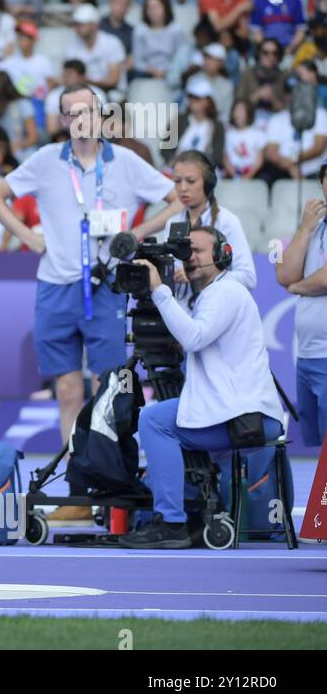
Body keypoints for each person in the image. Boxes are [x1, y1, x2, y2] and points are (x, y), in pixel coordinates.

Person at [0, 84, 182, 522]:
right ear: (62, 119)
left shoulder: (126, 162)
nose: (79, 119)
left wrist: (140, 233)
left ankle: (107, 483)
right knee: (68, 390)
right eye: (70, 112)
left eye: (86, 110)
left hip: (107, 285)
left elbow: (174, 199)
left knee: (107, 390)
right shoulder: (46, 160)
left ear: (100, 114)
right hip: (56, 287)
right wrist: (28, 237)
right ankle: (75, 493)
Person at [120, 226, 286, 548]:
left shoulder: (224, 292)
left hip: (246, 419)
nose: (191, 258)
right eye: (187, 252)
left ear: (223, 255)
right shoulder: (215, 292)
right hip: (241, 412)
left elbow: (194, 337)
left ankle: (171, 524)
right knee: (164, 418)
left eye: (199, 251)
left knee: (154, 421)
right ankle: (190, 515)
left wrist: (159, 290)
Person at [276, 166, 327, 450]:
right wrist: (304, 227)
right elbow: (284, 274)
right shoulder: (316, 226)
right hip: (307, 353)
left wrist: (298, 288)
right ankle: (321, 496)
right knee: (317, 445)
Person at [163, 150, 256, 297]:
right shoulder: (172, 223)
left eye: (191, 181)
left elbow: (248, 278)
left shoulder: (227, 221)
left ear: (208, 183)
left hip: (218, 309)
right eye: (177, 181)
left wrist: (203, 274)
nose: (183, 188)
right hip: (180, 312)